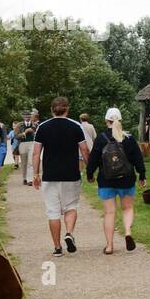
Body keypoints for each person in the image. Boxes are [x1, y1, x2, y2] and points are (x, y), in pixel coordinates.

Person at [33, 97, 89, 257]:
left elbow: (37, 153)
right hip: (71, 174)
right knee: (71, 207)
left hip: (50, 175)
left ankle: (57, 247)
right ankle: (69, 233)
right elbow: (84, 150)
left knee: (53, 212)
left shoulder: (42, 127)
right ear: (67, 109)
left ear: (52, 110)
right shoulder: (76, 126)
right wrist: (90, 169)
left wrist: (35, 173)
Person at [87, 107, 146, 255]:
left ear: (106, 120)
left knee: (109, 213)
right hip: (126, 180)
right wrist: (142, 175)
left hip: (106, 180)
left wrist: (90, 174)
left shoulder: (101, 138)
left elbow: (93, 159)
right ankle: (127, 232)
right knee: (127, 208)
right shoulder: (129, 138)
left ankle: (109, 246)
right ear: (120, 120)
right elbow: (138, 159)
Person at [18, 110, 39, 185]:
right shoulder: (19, 125)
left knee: (30, 162)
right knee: (24, 162)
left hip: (32, 143)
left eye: (29, 116)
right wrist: (24, 133)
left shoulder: (35, 124)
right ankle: (24, 178)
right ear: (23, 117)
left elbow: (38, 134)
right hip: (22, 144)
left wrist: (32, 131)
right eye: (26, 116)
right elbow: (16, 136)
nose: (27, 118)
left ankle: (30, 179)